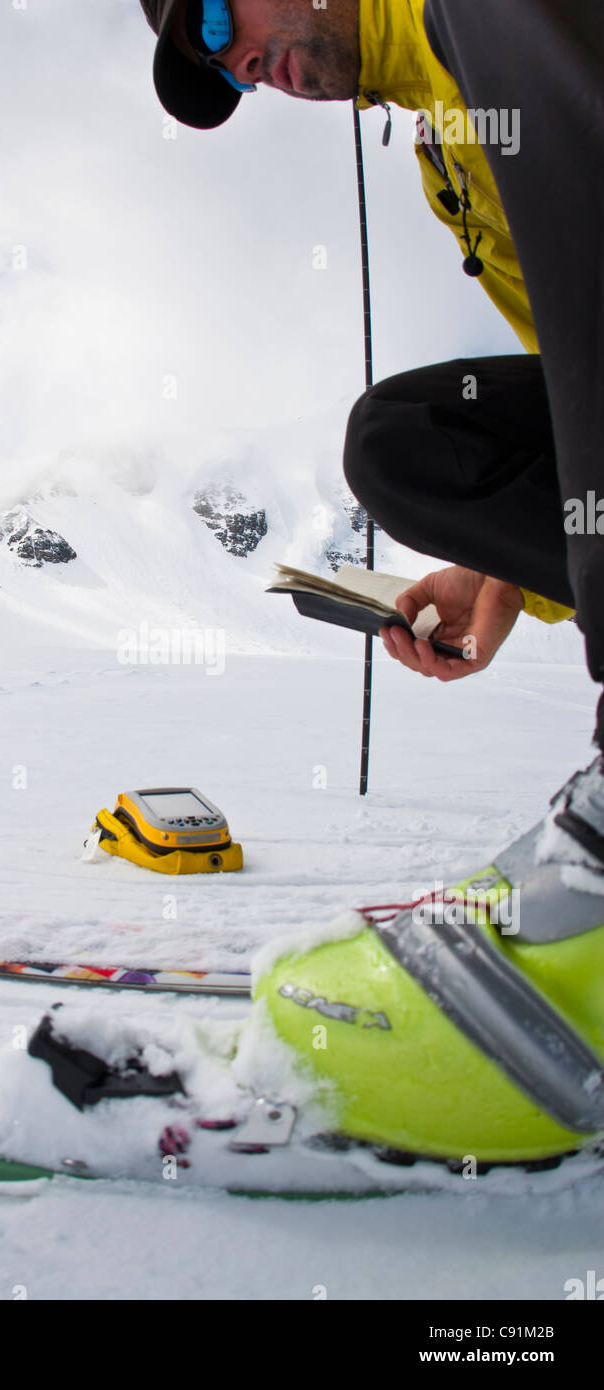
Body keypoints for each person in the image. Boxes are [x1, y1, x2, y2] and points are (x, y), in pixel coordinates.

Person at [138, 1, 604, 1159]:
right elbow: (578, 385)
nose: (237, 64)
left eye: (212, 15)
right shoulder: (446, 132)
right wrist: (500, 577)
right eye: (221, 71)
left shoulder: (485, 26)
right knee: (405, 441)